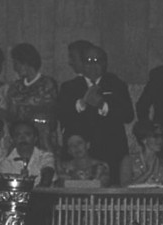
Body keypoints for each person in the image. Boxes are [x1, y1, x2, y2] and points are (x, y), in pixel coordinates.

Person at [57, 44, 133, 180]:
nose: (93, 65)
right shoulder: (69, 87)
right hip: (78, 152)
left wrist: (103, 105)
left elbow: (128, 115)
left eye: (98, 61)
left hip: (110, 149)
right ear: (82, 63)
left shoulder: (116, 84)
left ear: (105, 63)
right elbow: (61, 115)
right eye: (89, 61)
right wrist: (81, 103)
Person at [5, 43, 58, 149]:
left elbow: (48, 108)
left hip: (42, 137)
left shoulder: (47, 83)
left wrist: (20, 102)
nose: (15, 68)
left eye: (16, 63)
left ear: (26, 62)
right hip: (19, 138)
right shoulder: (16, 86)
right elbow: (11, 114)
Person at [0, 119, 55, 186]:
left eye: (27, 134)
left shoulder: (45, 157)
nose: (22, 138)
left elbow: (47, 175)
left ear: (35, 138)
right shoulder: (5, 163)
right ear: (12, 139)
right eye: (18, 135)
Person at [119, 120, 163, 187]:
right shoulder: (129, 161)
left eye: (162, 136)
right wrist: (148, 173)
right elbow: (124, 188)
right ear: (144, 139)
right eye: (155, 136)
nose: (160, 140)